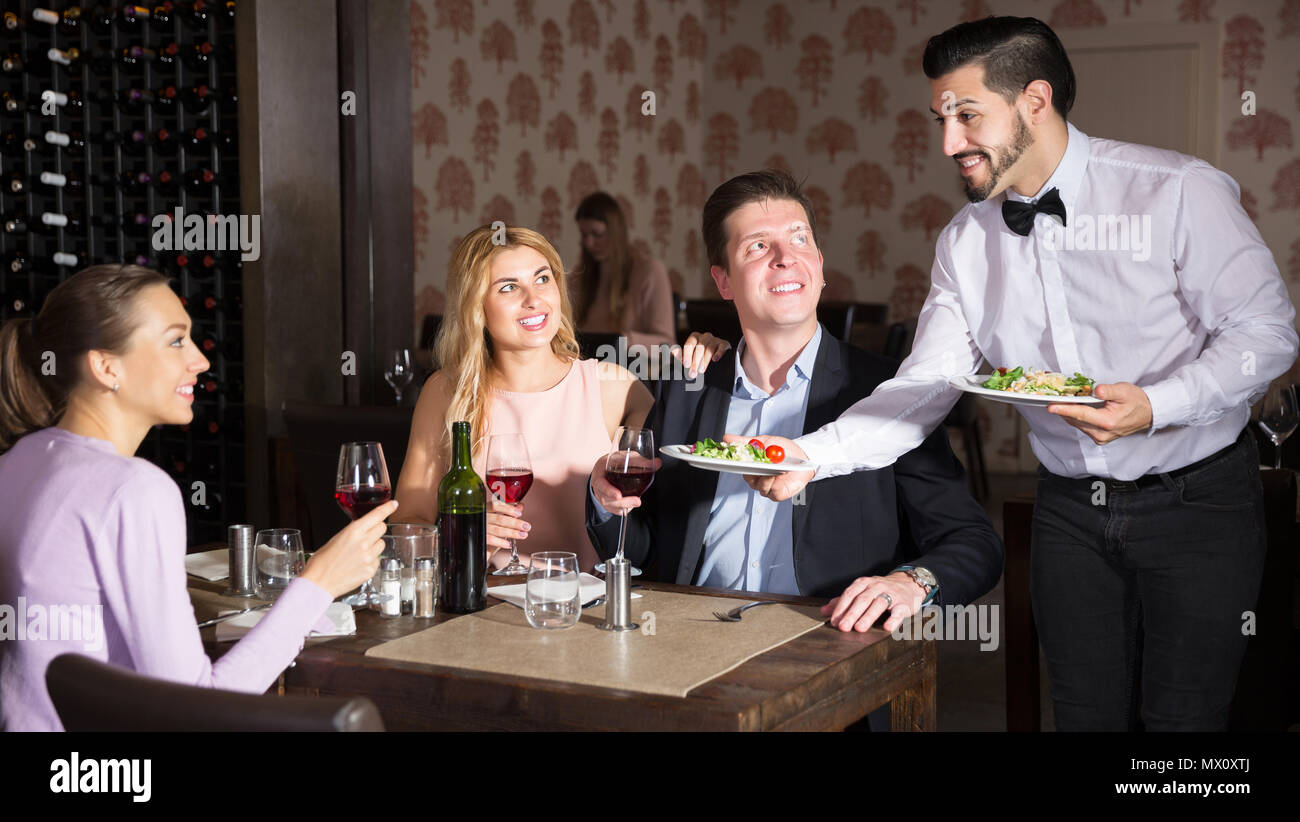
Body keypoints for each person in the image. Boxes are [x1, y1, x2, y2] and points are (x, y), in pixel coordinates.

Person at [743, 17, 1298, 731]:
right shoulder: (964, 242)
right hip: (1067, 508)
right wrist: (810, 457)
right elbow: (924, 388)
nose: (949, 143)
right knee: (1081, 715)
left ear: (1035, 101)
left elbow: (1267, 335)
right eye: (940, 118)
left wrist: (1156, 405)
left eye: (967, 114)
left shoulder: (1178, 191)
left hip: (1199, 501)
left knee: (1185, 722)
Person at [587, 169, 1002, 629]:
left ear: (820, 265)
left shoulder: (888, 393)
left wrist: (911, 582)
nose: (786, 257)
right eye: (758, 246)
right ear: (723, 282)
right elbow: (647, 552)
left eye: (800, 239)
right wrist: (606, 501)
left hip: (827, 641)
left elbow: (974, 541)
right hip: (691, 638)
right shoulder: (688, 387)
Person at [0, 265, 397, 732]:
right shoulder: (134, 489)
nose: (201, 361)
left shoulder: (18, 460)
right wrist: (319, 583)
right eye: (175, 341)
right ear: (107, 366)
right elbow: (194, 708)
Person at [394, 226, 726, 572]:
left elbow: (680, 506)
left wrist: (716, 364)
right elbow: (407, 521)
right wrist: (457, 535)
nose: (534, 299)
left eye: (542, 279)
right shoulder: (447, 392)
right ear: (476, 306)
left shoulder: (612, 386)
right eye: (509, 287)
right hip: (485, 608)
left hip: (593, 610)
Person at [572, 192, 676, 349]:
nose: (589, 243)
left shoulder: (650, 271)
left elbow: (667, 344)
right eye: (584, 235)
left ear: (616, 231)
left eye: (597, 234)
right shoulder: (580, 275)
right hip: (589, 367)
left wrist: (623, 341)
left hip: (631, 369)